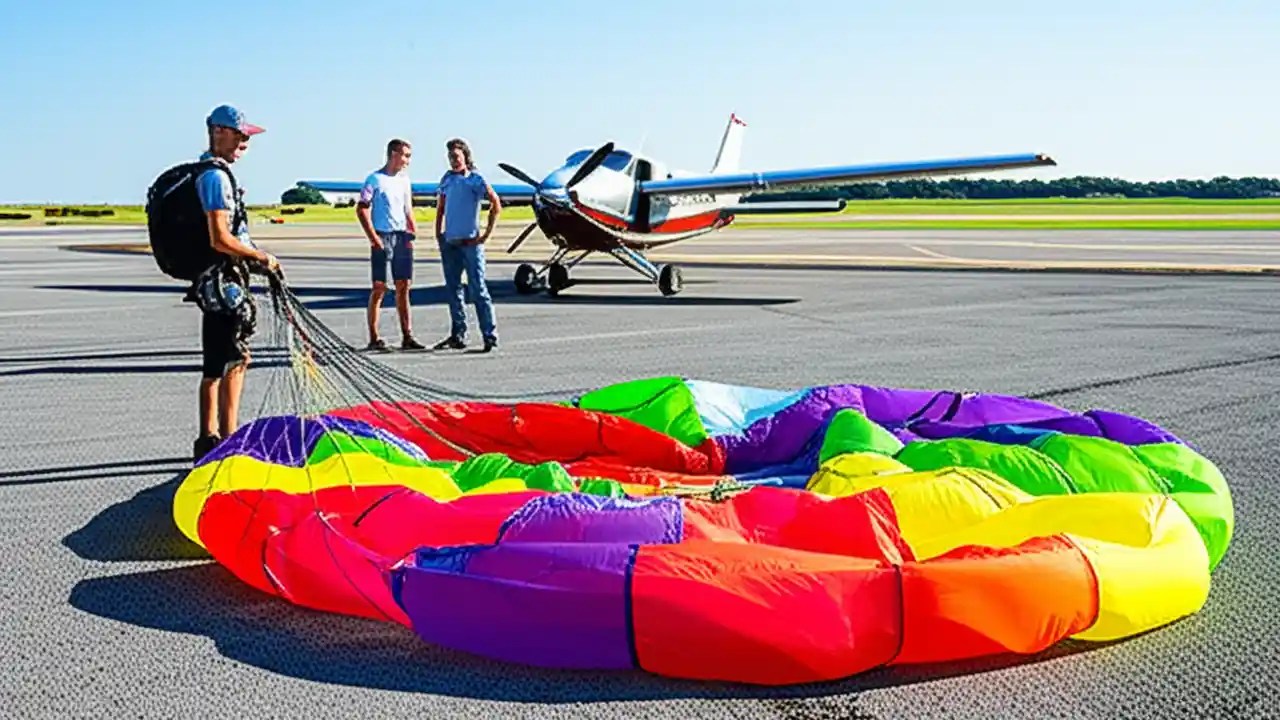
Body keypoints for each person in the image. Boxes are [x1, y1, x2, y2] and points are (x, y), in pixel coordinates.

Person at [192, 104, 280, 462]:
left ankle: (208, 438)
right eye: (239, 134)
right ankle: (229, 442)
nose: (245, 142)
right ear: (217, 132)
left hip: (212, 283)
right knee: (235, 361)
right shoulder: (215, 177)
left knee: (215, 364)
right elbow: (220, 238)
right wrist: (261, 257)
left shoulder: (206, 171)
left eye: (247, 137)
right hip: (223, 285)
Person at [433, 137, 502, 353]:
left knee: (478, 289)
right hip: (451, 242)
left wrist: (485, 234)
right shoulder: (446, 179)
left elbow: (495, 203)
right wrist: (438, 233)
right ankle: (458, 334)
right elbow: (441, 207)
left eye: (457, 157)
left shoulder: (475, 179)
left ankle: (489, 335)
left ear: (465, 157)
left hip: (471, 243)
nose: (453, 161)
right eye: (450, 157)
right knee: (453, 290)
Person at [357, 139, 424, 351]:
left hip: (401, 235)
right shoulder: (374, 179)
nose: (407, 161)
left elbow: (407, 208)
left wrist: (412, 230)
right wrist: (373, 238)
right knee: (380, 287)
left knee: (403, 285)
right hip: (382, 234)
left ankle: (407, 335)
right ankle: (374, 337)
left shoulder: (404, 181)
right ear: (393, 154)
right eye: (405, 155)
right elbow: (362, 208)